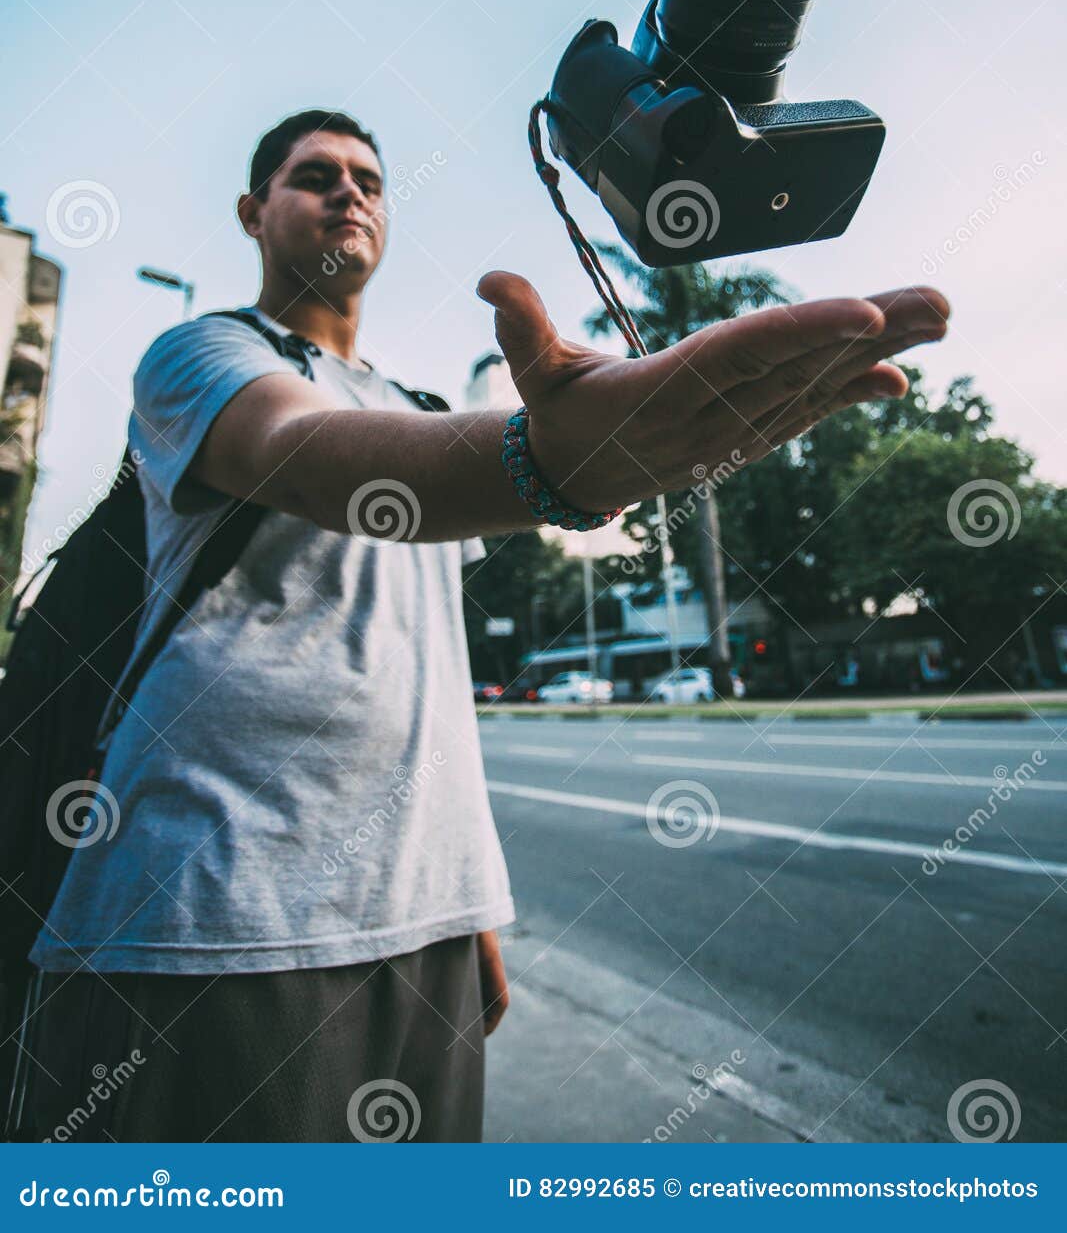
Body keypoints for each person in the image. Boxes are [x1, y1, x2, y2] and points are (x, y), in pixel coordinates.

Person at [16, 109, 949, 1143]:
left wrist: (466, 894)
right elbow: (304, 446)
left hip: (421, 927)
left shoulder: (411, 404)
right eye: (313, 175)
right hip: (218, 913)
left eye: (367, 178)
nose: (348, 192)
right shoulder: (202, 352)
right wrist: (547, 465)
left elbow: (426, 672)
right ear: (253, 211)